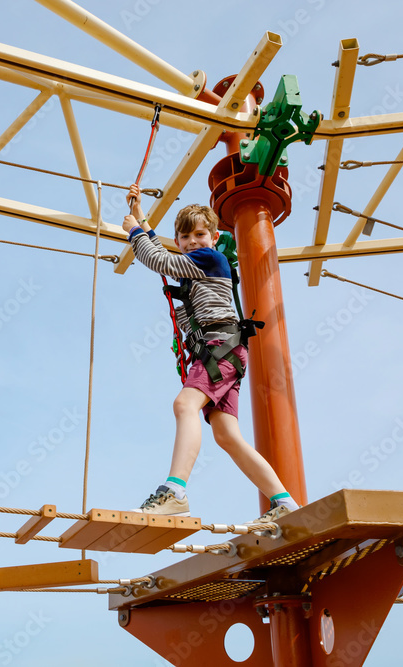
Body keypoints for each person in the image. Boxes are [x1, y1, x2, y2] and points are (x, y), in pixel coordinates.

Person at [122, 183, 299, 523]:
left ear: (214, 238)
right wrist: (142, 216)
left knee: (184, 404)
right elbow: (164, 256)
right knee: (227, 435)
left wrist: (133, 233)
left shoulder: (210, 259)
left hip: (220, 347)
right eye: (185, 238)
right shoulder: (192, 265)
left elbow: (157, 258)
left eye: (200, 235)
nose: (192, 243)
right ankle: (285, 502)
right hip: (222, 351)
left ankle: (174, 492)